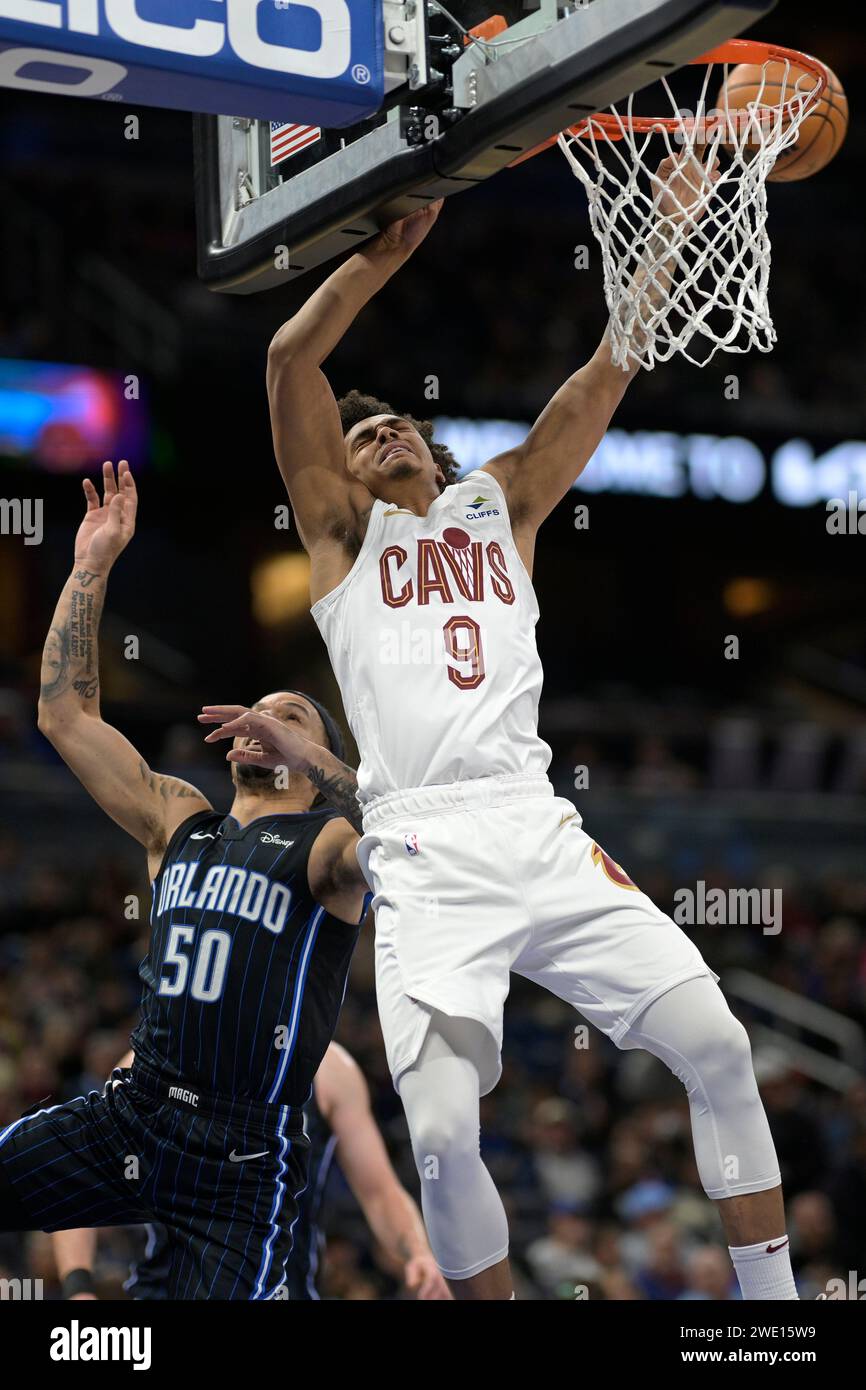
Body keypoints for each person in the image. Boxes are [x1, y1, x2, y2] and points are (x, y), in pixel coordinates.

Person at [254, 155, 798, 1301]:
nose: (383, 432)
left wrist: (666, 230)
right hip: (420, 850)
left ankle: (770, 1313)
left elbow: (605, 371)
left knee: (719, 1045)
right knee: (445, 1129)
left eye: (398, 422)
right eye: (360, 439)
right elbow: (287, 358)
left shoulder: (497, 504)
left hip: (532, 819)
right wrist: (376, 257)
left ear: (434, 448)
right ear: (338, 482)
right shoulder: (345, 546)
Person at [0, 462, 368, 1300]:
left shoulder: (327, 848)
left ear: (314, 759)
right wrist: (90, 566)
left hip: (240, 1161)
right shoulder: (180, 820)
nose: (264, 721)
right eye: (259, 710)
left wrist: (312, 754)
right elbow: (64, 715)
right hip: (134, 1112)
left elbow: (403, 832)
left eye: (291, 714)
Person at [53, 1043, 449, 1301]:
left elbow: (380, 1193)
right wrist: (78, 1288)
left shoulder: (328, 1070)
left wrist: (419, 1254)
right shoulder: (151, 1063)